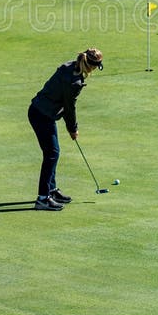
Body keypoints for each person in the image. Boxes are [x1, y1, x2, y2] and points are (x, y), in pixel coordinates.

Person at [27, 48, 104, 211]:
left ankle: (51, 190)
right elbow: (70, 108)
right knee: (52, 154)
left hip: (40, 111)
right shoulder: (74, 83)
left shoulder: (69, 66)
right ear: (92, 66)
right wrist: (73, 129)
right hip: (41, 115)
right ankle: (42, 198)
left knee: (52, 152)